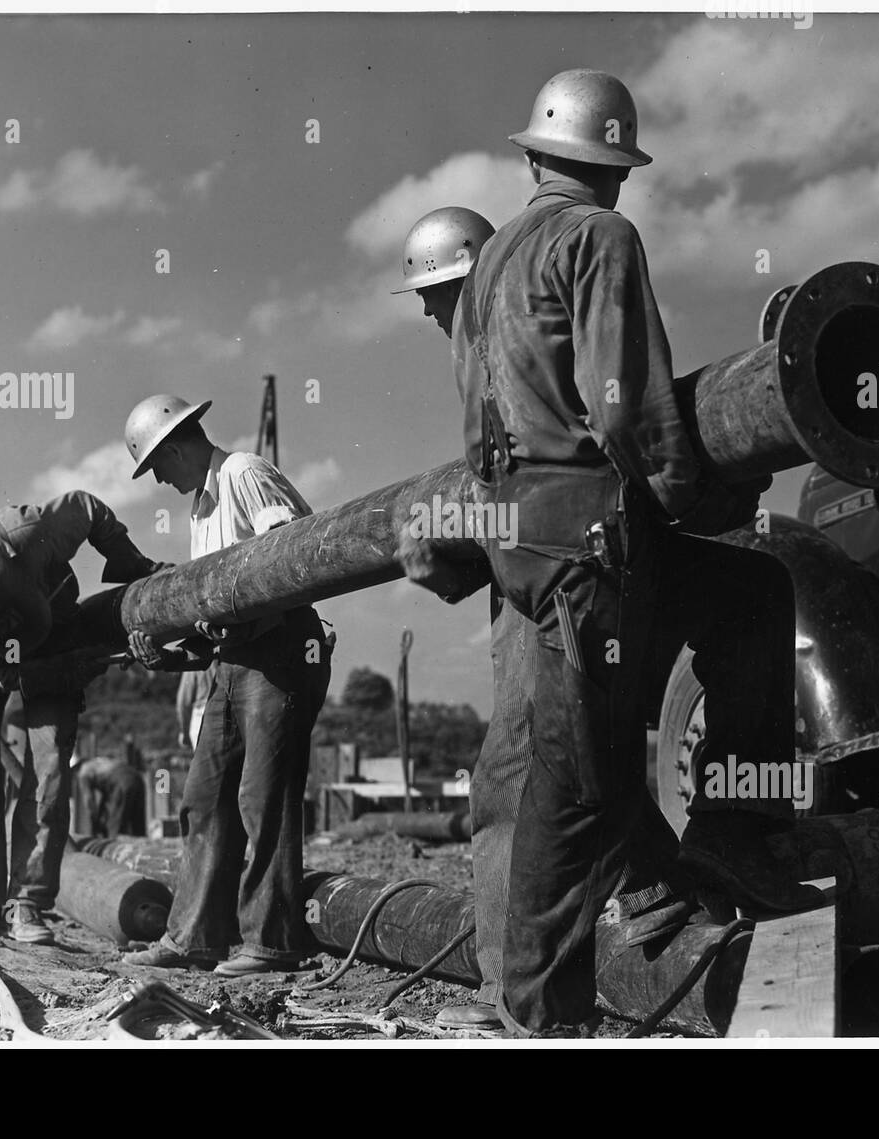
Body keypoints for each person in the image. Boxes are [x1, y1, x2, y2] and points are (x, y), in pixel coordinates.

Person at [440, 69, 820, 1035]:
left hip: (525, 544)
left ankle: (730, 832)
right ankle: (542, 1014)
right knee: (575, 791)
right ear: (614, 170)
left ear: (533, 157)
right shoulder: (600, 237)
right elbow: (627, 408)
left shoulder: (487, 266)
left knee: (750, 596)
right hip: (594, 545)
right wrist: (707, 492)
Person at [394, 206, 694, 1031]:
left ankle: (535, 985)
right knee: (551, 762)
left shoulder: (507, 316)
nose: (426, 312)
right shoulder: (490, 340)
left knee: (536, 772)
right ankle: (642, 892)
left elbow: (599, 421)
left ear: (466, 277)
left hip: (569, 559)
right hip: (542, 563)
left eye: (433, 293)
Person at [119, 396, 332, 976]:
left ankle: (271, 940)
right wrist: (172, 654)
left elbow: (293, 559)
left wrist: (229, 621)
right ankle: (196, 937)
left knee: (263, 798)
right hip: (234, 663)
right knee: (205, 799)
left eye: (158, 466)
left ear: (178, 447)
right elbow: (215, 617)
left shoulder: (242, 473)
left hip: (281, 652)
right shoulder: (200, 508)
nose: (159, 480)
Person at [0, 491, 166, 943]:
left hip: (54, 628)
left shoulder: (33, 533)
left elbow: (90, 508)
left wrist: (132, 564)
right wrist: (46, 672)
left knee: (49, 767)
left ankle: (27, 900)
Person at [76, 754, 147, 837]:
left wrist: (94, 823)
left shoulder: (83, 772)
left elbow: (89, 801)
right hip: (137, 778)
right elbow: (107, 796)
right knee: (138, 826)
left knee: (115, 826)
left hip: (121, 782)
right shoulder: (99, 761)